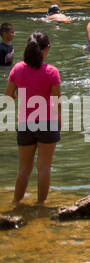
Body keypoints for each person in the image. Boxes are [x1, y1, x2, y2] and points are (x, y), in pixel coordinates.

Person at [6, 32, 59, 205]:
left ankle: (16, 202)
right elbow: (57, 100)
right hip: (47, 122)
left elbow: (8, 95)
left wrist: (18, 94)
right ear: (47, 49)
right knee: (44, 168)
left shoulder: (17, 69)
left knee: (24, 169)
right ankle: (40, 204)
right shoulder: (51, 71)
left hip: (25, 123)